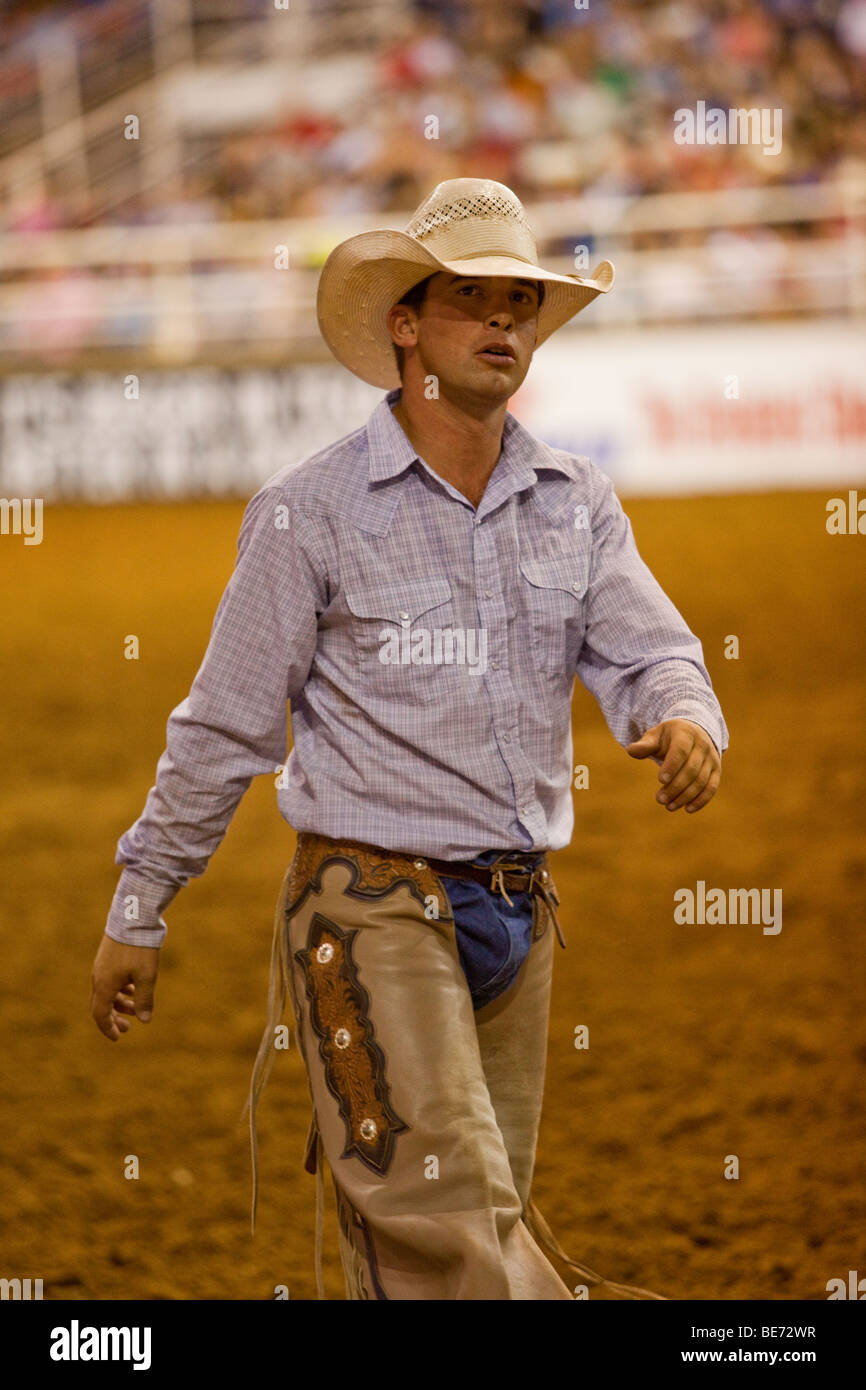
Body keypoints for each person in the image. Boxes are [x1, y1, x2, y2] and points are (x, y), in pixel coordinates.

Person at [90, 178, 728, 1301]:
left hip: (514, 915)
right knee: (456, 1241)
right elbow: (228, 720)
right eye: (472, 299)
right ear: (404, 324)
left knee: (469, 1225)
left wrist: (682, 718)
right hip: (369, 906)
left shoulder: (574, 498)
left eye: (520, 306)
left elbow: (650, 649)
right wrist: (140, 900)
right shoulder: (309, 511)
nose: (502, 325)